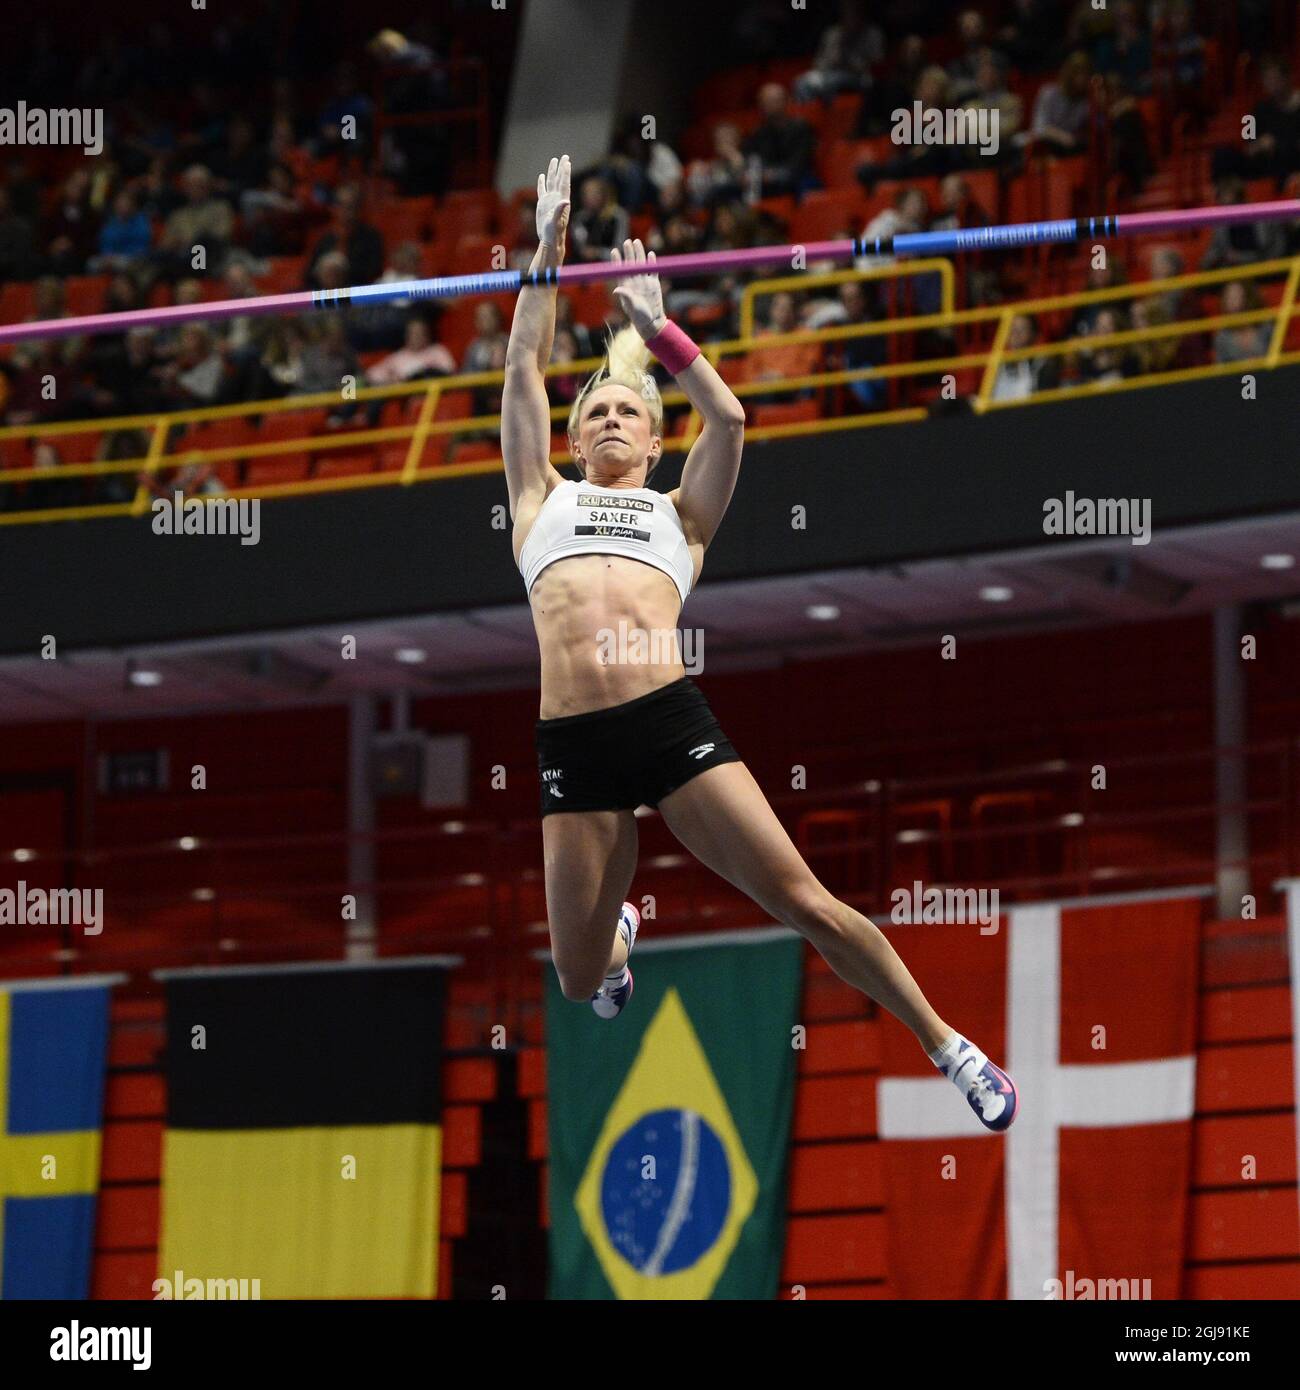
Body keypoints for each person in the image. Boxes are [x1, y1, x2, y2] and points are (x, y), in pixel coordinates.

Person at [500, 154, 1018, 1135]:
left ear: (653, 445)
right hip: (571, 747)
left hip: (666, 725)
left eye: (628, 410)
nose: (611, 416)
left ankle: (950, 1046)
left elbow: (730, 416)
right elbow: (524, 366)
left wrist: (655, 329)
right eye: (596, 411)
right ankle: (618, 935)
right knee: (575, 978)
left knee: (806, 902)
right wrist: (550, 247)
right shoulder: (540, 501)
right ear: (571, 443)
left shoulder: (679, 518)